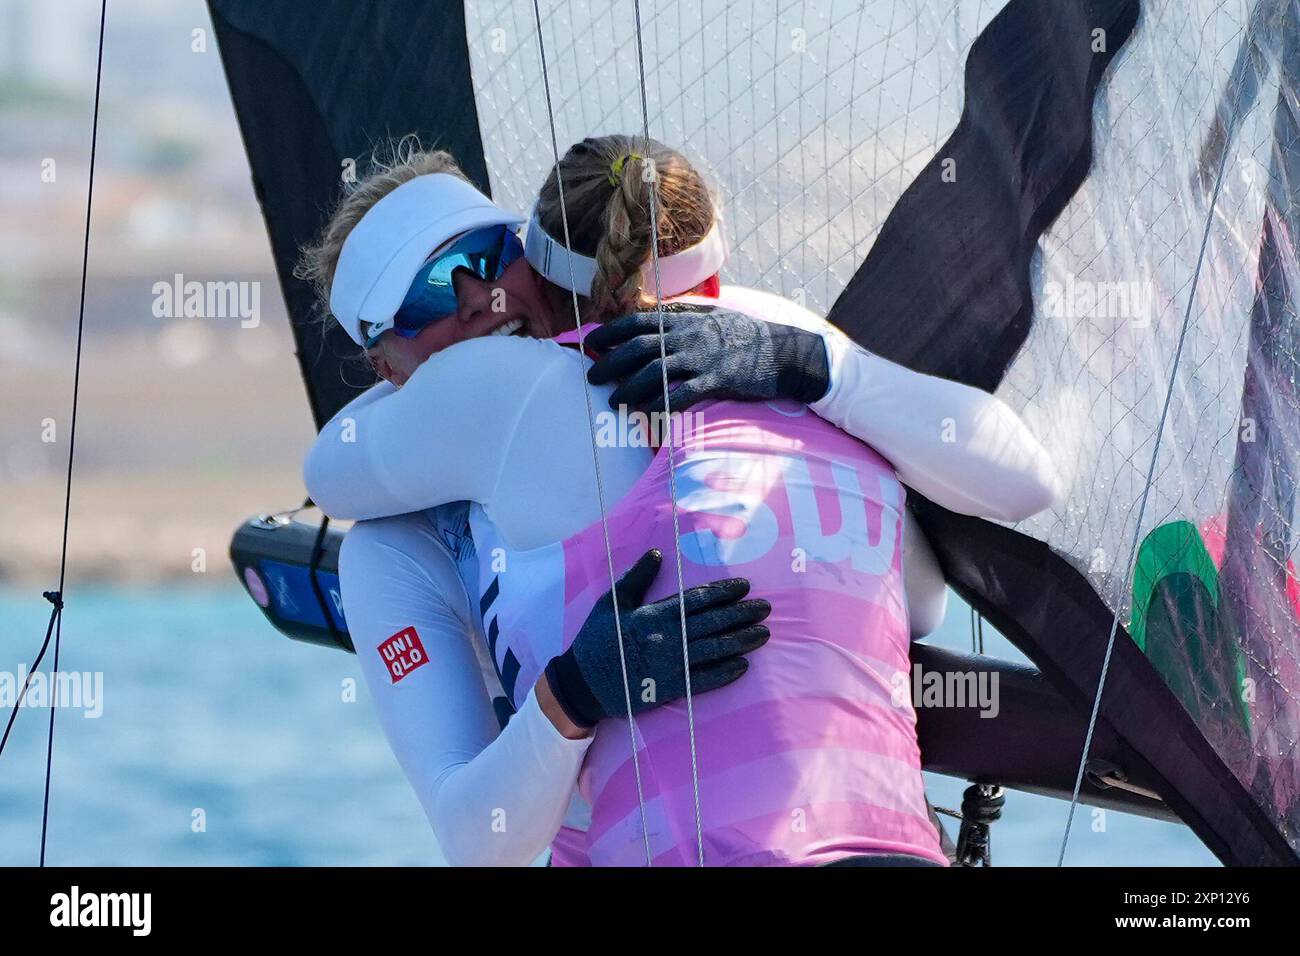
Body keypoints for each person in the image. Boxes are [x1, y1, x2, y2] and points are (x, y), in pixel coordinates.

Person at [301, 136, 1060, 865]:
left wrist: (810, 364)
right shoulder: (393, 552)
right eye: (429, 292)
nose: (477, 296)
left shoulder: (728, 349)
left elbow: (927, 583)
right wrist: (572, 695)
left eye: (488, 256)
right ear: (381, 358)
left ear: (533, 253)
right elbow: (477, 841)